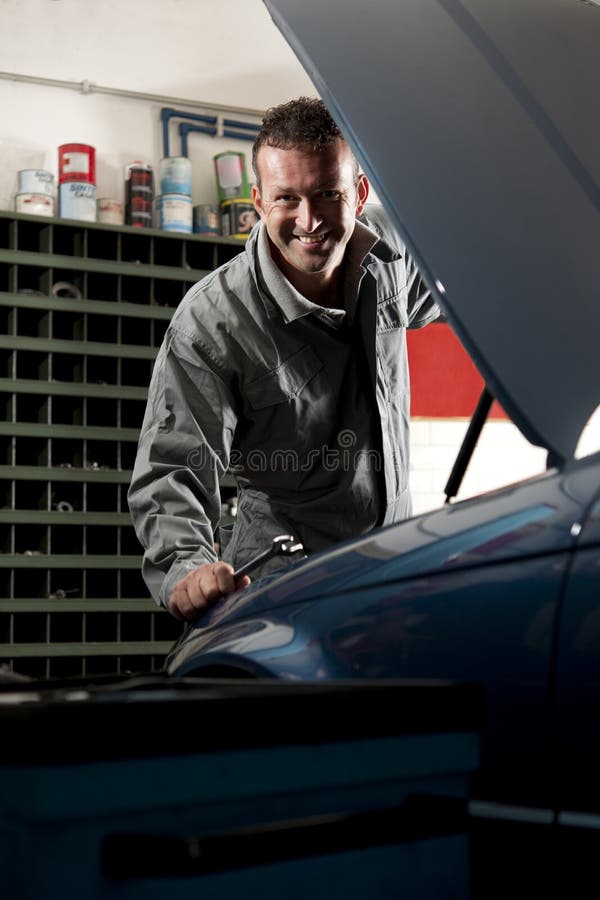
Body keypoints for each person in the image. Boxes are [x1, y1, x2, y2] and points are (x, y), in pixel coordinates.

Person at [128, 97, 440, 622]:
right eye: (286, 198)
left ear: (360, 193)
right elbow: (172, 468)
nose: (309, 219)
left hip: (388, 578)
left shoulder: (393, 256)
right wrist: (187, 568)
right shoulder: (213, 321)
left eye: (327, 194)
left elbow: (468, 290)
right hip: (280, 595)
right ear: (257, 200)